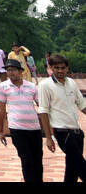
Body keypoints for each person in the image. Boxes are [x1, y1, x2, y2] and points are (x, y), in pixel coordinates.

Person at [36, 53, 86, 183]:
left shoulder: (71, 83)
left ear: (67, 68)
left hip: (77, 132)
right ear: (51, 68)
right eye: (56, 68)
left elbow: (82, 105)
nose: (60, 70)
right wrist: (48, 138)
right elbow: (43, 112)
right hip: (62, 132)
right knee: (82, 167)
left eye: (62, 68)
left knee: (72, 169)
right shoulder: (45, 85)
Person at [0, 59, 46, 182]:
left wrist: (50, 127)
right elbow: (1, 109)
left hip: (34, 128)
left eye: (13, 70)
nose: (10, 72)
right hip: (17, 129)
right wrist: (0, 130)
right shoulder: (3, 87)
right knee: (26, 160)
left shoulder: (31, 86)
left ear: (20, 71)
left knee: (37, 160)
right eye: (8, 70)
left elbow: (42, 106)